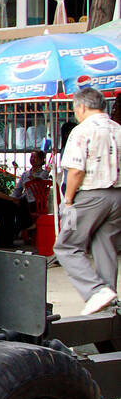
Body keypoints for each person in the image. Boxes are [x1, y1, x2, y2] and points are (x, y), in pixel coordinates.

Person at [54, 86, 121, 314]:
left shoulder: (82, 131)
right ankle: (107, 301)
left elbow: (75, 171)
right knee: (105, 247)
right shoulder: (118, 129)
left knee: (66, 246)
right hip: (118, 196)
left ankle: (95, 291)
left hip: (92, 194)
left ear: (81, 107)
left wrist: (69, 200)